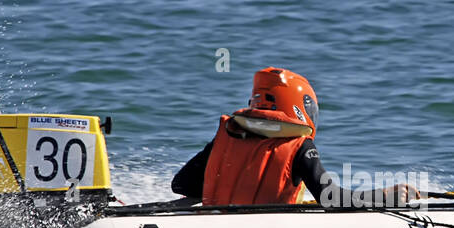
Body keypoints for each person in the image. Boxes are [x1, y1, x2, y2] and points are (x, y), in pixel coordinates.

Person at [172, 68, 420, 208]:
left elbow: (181, 185)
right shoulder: (298, 146)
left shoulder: (228, 135)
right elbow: (331, 199)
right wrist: (385, 196)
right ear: (299, 107)